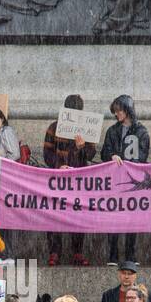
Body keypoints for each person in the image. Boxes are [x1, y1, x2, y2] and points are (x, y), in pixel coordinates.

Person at [43, 94, 97, 266]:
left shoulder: (86, 128)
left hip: (77, 180)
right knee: (54, 215)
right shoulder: (54, 127)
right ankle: (54, 252)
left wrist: (82, 147)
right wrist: (58, 166)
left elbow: (91, 155)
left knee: (78, 215)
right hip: (58, 179)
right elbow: (47, 153)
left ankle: (77, 251)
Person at [99, 94, 150, 266]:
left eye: (119, 110)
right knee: (113, 217)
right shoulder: (112, 131)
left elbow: (142, 157)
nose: (116, 114)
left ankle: (130, 255)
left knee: (131, 220)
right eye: (115, 111)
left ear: (127, 110)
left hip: (132, 183)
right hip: (114, 183)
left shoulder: (141, 132)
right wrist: (111, 155)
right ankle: (112, 254)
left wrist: (128, 165)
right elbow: (104, 153)